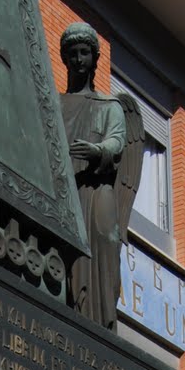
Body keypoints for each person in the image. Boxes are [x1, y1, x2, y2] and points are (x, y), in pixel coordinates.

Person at [58, 23, 143, 328]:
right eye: (73, 54)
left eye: (84, 53)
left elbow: (118, 142)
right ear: (64, 59)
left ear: (94, 59)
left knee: (106, 242)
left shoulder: (109, 107)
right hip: (65, 193)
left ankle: (99, 322)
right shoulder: (53, 104)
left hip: (96, 192)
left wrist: (98, 151)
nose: (79, 59)